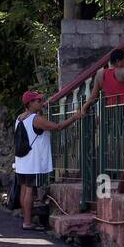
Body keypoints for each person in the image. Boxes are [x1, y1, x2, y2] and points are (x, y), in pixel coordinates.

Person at [14, 91, 83, 230]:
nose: (41, 103)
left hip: (22, 161)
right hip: (33, 162)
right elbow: (58, 127)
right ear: (30, 103)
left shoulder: (20, 118)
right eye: (38, 101)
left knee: (24, 189)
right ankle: (27, 223)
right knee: (30, 191)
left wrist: (41, 107)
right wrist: (75, 117)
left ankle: (25, 218)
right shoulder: (36, 119)